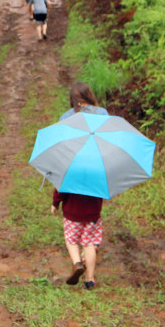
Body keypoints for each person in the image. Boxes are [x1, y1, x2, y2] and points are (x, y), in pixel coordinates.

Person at [51, 82, 106, 290]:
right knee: (90, 243)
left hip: (72, 212)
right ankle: (90, 279)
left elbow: (60, 187)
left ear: (72, 100)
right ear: (89, 96)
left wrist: (55, 203)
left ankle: (76, 262)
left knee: (71, 239)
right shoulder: (102, 114)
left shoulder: (66, 118)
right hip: (93, 209)